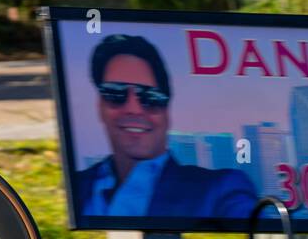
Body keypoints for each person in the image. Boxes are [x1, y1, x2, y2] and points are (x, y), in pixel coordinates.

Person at [73, 34, 256, 221]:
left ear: (167, 111)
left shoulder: (220, 188)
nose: (133, 109)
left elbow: (253, 219)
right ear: (99, 106)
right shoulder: (77, 185)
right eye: (115, 94)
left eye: (151, 98)